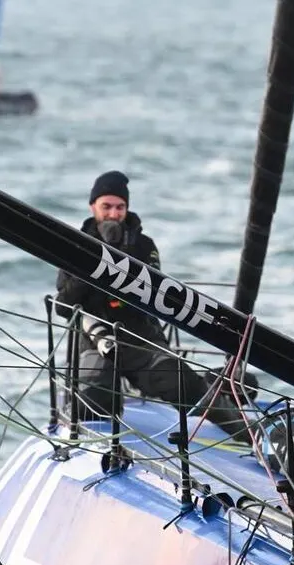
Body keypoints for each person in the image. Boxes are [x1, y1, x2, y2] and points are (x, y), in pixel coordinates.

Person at [54, 170, 248, 440]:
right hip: (94, 340)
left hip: (140, 338)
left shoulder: (144, 246)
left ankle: (249, 434)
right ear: (92, 207)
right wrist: (94, 263)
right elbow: (63, 307)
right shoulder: (75, 245)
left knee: (179, 380)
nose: (113, 214)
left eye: (120, 207)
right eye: (106, 206)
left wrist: (122, 259)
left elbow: (155, 300)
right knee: (95, 396)